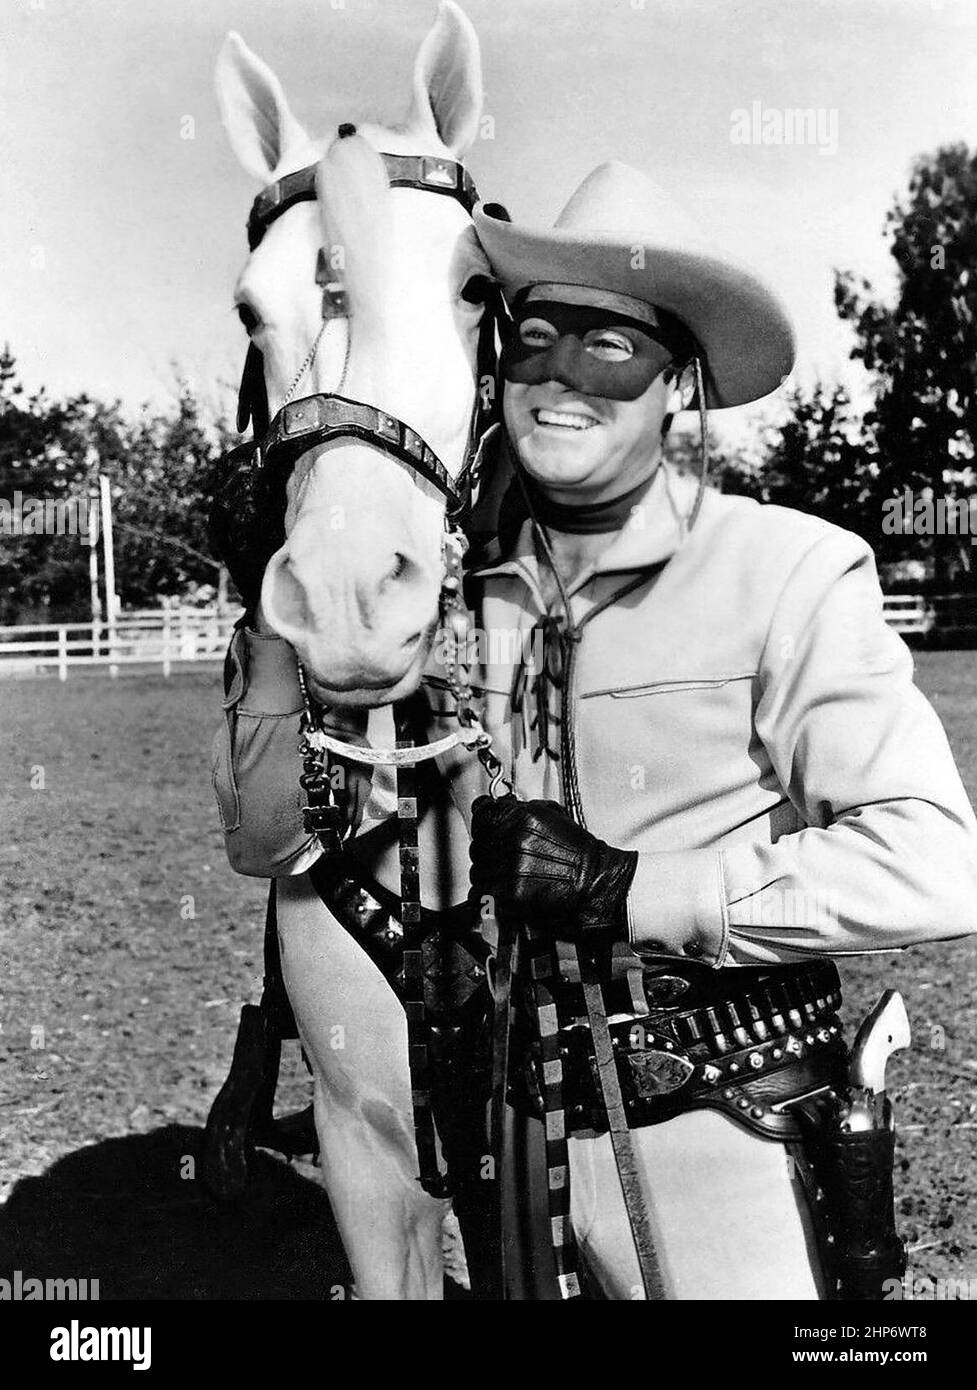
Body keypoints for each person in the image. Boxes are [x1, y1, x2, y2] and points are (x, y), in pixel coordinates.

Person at [212, 161, 977, 1300]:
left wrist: (634, 889)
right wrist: (278, 617)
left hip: (715, 1136)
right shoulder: (443, 598)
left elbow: (935, 865)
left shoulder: (789, 572)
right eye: (536, 340)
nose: (560, 377)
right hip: (513, 1161)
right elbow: (267, 833)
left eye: (610, 348)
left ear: (678, 386)